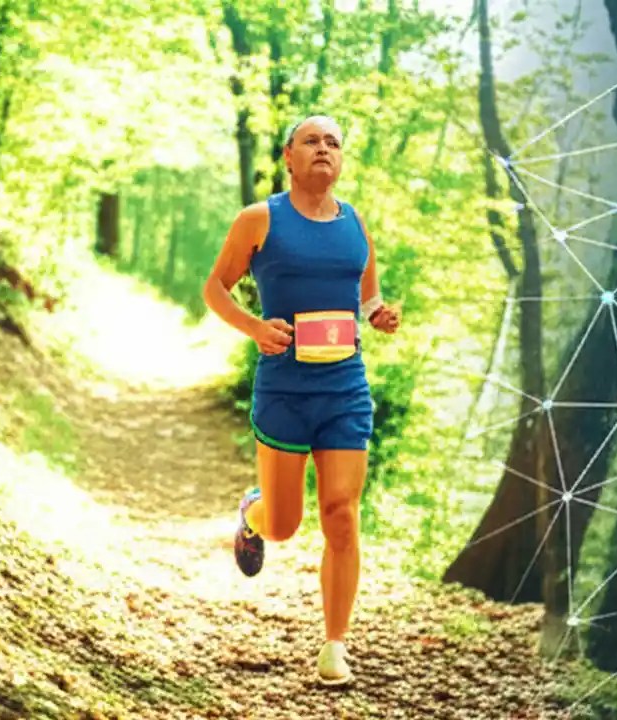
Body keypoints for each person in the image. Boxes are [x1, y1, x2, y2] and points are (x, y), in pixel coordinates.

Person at [202, 115, 401, 687]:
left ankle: (335, 645)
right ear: (289, 156)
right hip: (284, 390)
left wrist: (380, 315)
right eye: (311, 141)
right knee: (285, 525)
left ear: (341, 161)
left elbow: (368, 299)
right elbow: (215, 288)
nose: (323, 149)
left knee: (341, 513)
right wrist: (253, 327)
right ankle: (253, 513)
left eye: (333, 142)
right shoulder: (260, 219)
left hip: (345, 389)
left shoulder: (355, 223)